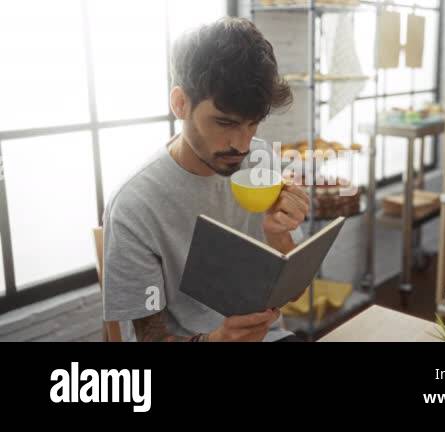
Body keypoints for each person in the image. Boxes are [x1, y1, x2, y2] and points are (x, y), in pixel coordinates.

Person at [102, 17, 309, 342]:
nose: (242, 144)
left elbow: (295, 295)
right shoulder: (135, 204)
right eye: (225, 122)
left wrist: (280, 239)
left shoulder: (260, 162)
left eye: (253, 124)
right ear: (180, 104)